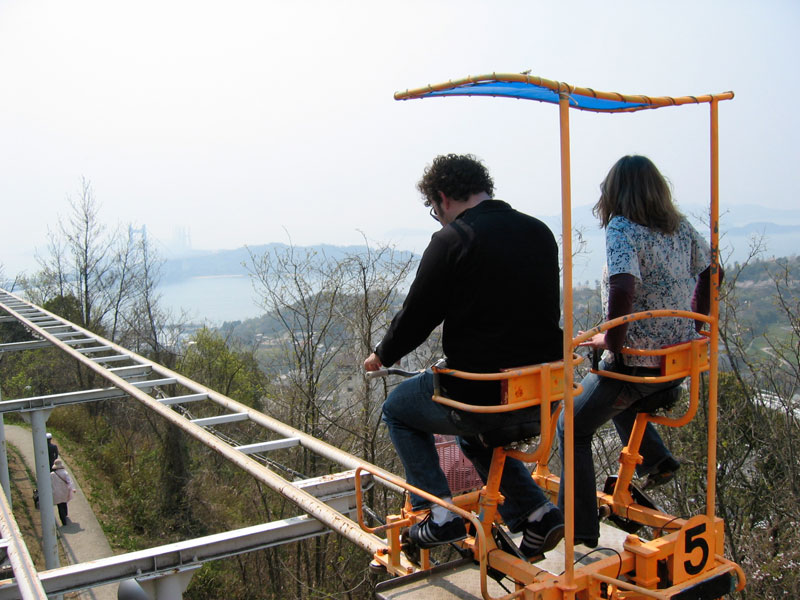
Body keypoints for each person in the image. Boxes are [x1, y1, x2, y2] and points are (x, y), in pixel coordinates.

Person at [364, 153, 564, 558]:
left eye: (434, 210)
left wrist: (382, 356)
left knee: (397, 410)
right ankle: (538, 513)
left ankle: (436, 513)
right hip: (540, 393)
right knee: (476, 438)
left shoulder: (453, 240)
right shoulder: (539, 232)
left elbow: (418, 315)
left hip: (484, 394)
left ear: (442, 198)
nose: (437, 218)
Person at [557, 155, 718, 547]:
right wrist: (697, 319)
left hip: (636, 364)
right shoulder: (679, 227)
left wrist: (610, 341)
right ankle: (658, 459)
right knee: (611, 398)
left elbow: (623, 286)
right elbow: (713, 270)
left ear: (614, 193)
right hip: (675, 363)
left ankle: (577, 529)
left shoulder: (622, 228)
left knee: (570, 424)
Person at [50, 457, 76, 526]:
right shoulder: (65, 473)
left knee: (59, 506)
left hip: (56, 492)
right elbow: (69, 481)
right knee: (64, 502)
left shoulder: (52, 474)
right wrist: (73, 489)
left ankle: (63, 520)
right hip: (64, 491)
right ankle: (65, 514)